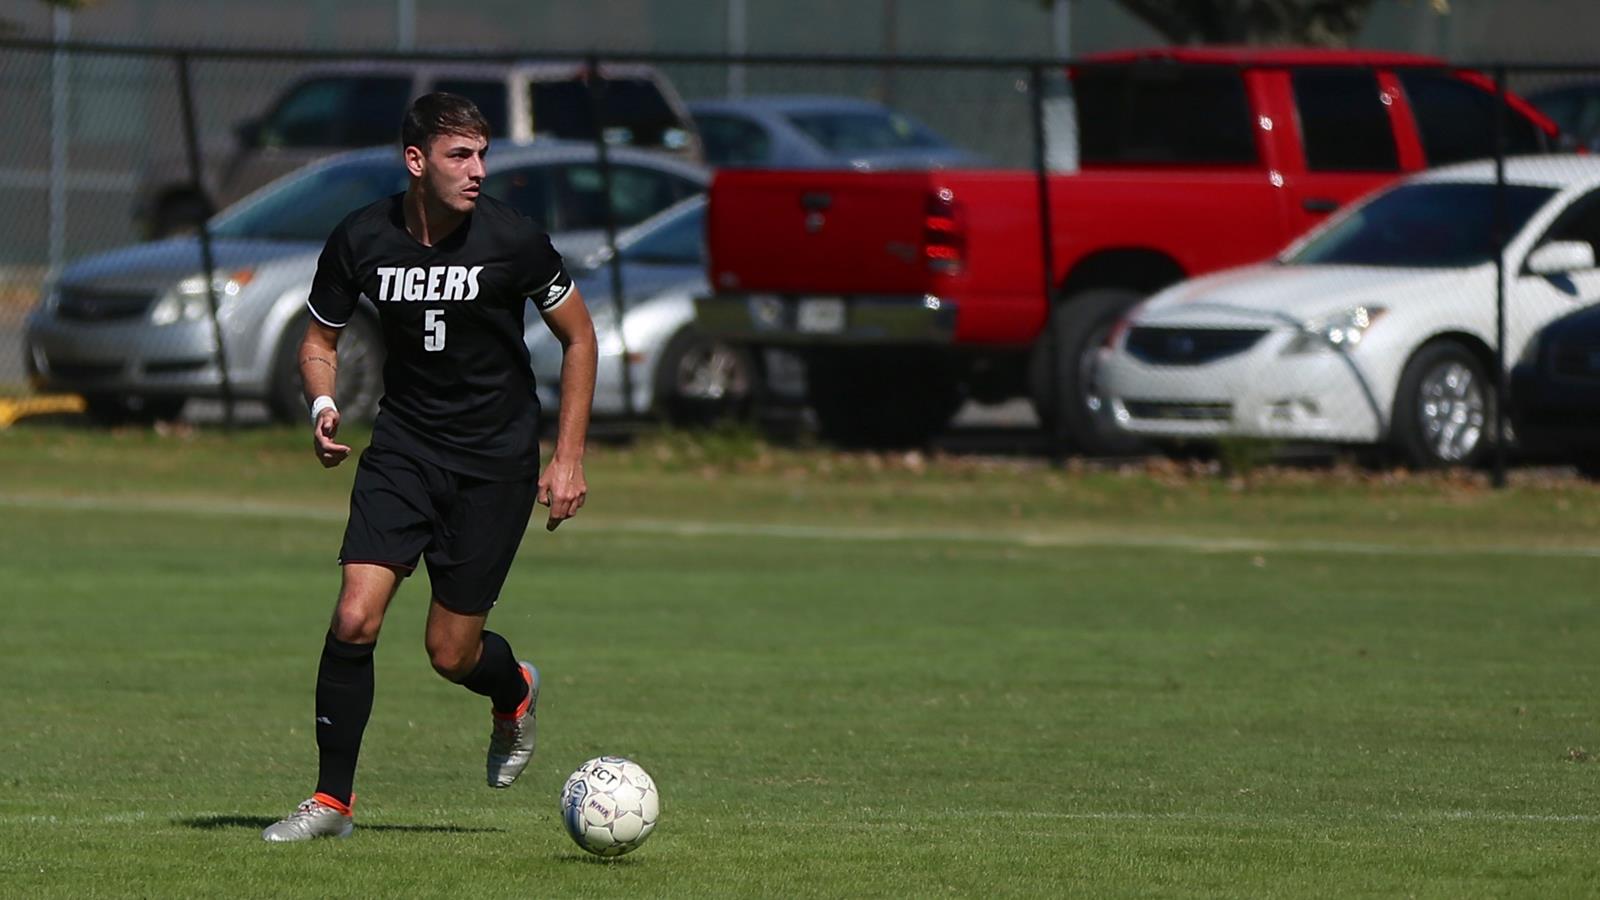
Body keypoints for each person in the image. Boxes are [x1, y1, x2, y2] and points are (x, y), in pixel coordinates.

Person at [262, 93, 597, 842]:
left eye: (483, 155)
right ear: (416, 161)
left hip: (495, 463)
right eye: (460, 155)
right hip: (405, 449)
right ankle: (332, 803)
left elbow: (580, 337)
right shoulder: (360, 238)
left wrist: (568, 456)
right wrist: (322, 404)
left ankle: (513, 691)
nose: (478, 171)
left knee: (450, 653)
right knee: (354, 617)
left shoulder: (514, 239)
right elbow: (319, 340)